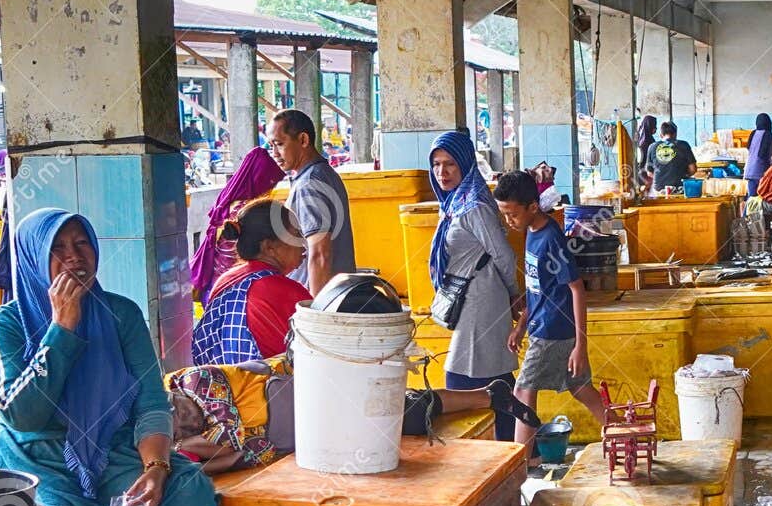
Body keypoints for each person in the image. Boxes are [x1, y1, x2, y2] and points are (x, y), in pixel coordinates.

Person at [0, 209, 221, 506]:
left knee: (189, 490)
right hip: (37, 455)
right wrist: (62, 329)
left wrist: (155, 470)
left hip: (111, 448)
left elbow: (151, 403)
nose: (74, 256)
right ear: (33, 259)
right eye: (57, 248)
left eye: (81, 244)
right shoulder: (8, 323)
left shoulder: (121, 314)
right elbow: (22, 415)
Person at [169, 357, 511, 476]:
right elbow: (218, 459)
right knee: (400, 416)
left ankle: (486, 396)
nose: (183, 418)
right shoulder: (181, 441)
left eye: (177, 410)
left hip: (319, 395)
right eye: (178, 428)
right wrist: (194, 451)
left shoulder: (195, 380)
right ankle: (489, 396)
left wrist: (192, 445)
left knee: (400, 408)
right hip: (316, 434)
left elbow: (229, 443)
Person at [493, 170, 607, 453]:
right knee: (582, 390)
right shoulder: (531, 232)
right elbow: (536, 290)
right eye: (504, 215)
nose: (509, 221)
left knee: (522, 391)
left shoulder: (551, 238)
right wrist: (521, 326)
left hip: (553, 332)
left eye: (512, 214)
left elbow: (577, 289)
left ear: (533, 207)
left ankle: (519, 464)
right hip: (542, 327)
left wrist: (581, 346)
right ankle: (621, 434)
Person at [428, 129, 522, 441]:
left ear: (466, 164)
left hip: (482, 298)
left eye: (450, 164)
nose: (442, 172)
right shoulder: (455, 201)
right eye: (437, 164)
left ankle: (504, 449)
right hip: (470, 297)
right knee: (489, 370)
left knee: (462, 375)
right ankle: (515, 446)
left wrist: (512, 296)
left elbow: (503, 255)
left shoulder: (475, 206)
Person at [191, 199, 310, 366]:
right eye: (296, 235)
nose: (303, 243)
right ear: (270, 247)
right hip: (267, 390)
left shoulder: (225, 280)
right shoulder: (287, 292)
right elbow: (319, 353)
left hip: (221, 387)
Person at [267, 108, 355, 296]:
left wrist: (316, 311)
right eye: (271, 145)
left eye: (280, 144)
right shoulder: (322, 174)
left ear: (303, 140)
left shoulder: (310, 184)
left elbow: (320, 253)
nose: (274, 153)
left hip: (321, 299)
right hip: (336, 295)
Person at [189, 147, 287, 305]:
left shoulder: (228, 202)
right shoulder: (247, 211)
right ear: (258, 179)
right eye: (269, 183)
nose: (271, 190)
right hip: (233, 293)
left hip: (215, 286)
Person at [649, 121, 697, 192]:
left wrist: (662, 177)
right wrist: (683, 175)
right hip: (679, 188)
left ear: (661, 135)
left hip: (659, 190)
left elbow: (649, 173)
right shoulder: (684, 145)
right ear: (675, 134)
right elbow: (693, 169)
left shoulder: (652, 147)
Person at [744, 113, 772, 199]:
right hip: (761, 171)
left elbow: (749, 148)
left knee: (751, 199)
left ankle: (746, 213)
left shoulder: (753, 133)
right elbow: (770, 154)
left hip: (749, 170)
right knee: (761, 198)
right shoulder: (768, 134)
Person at [634, 114, 658, 191]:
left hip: (644, 175)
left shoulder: (641, 140)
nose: (656, 128)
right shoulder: (647, 143)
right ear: (649, 126)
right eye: (654, 126)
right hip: (646, 176)